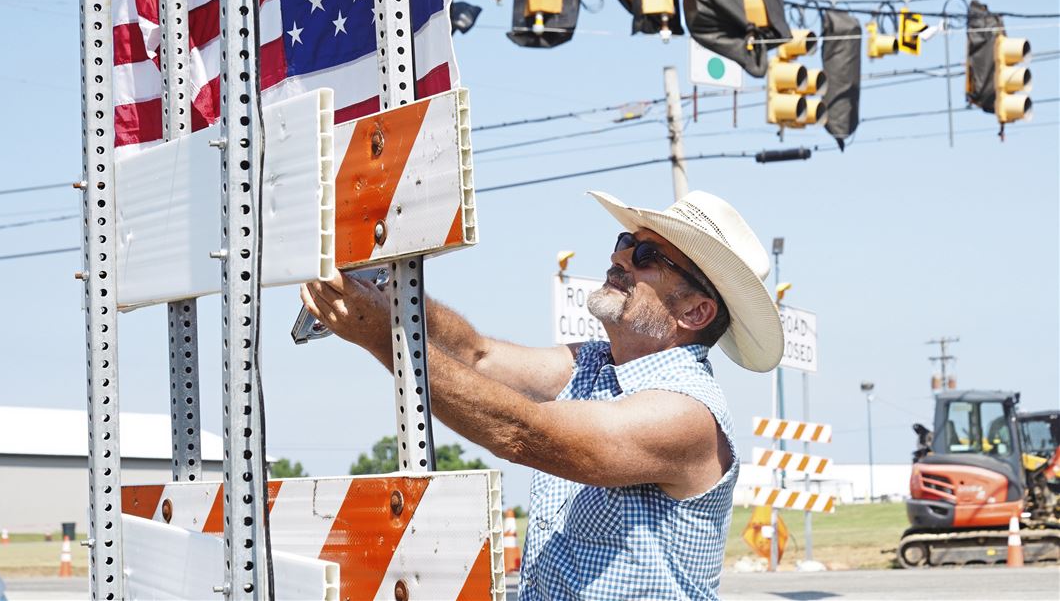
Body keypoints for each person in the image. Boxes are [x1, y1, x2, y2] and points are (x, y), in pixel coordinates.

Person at [300, 190, 784, 600]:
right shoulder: (593, 363)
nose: (619, 259)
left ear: (696, 312)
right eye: (625, 243)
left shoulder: (686, 413)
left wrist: (383, 336)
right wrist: (387, 298)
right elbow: (476, 356)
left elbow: (522, 433)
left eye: (646, 258)